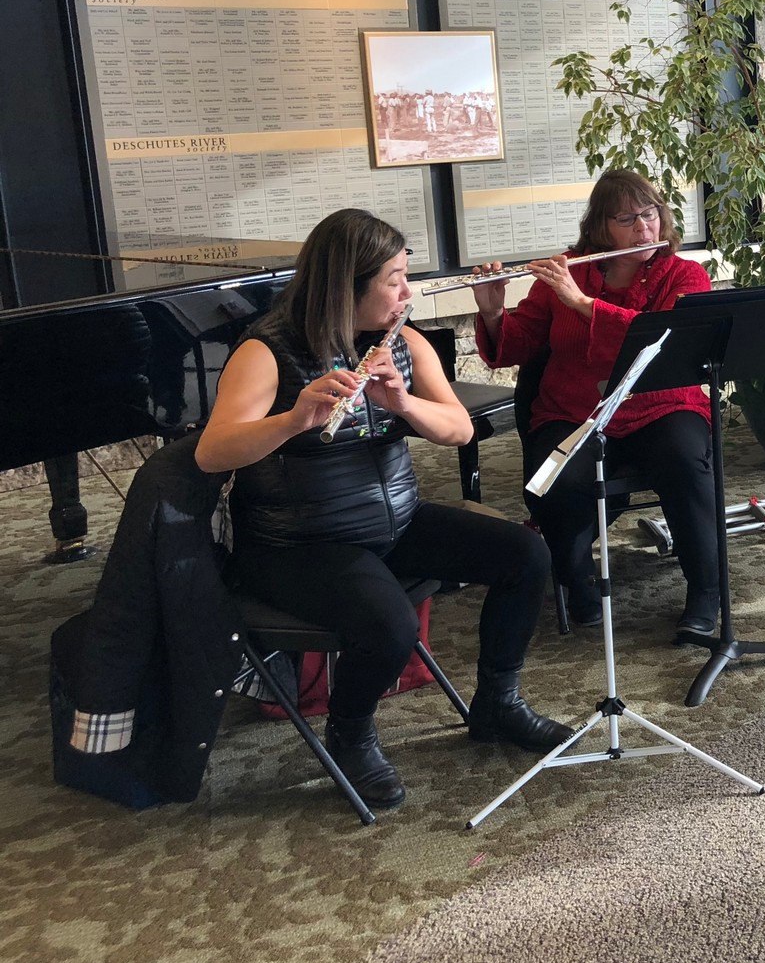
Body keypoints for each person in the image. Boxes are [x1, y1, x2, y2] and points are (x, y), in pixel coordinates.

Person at [197, 209, 570, 812]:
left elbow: (456, 429)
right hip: (298, 545)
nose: (408, 292)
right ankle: (351, 734)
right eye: (394, 279)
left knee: (525, 554)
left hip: (392, 523)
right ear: (348, 285)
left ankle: (497, 703)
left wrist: (402, 404)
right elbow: (214, 454)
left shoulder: (402, 342)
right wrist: (293, 420)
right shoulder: (265, 352)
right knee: (390, 623)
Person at [471, 170, 722, 638]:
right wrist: (492, 310)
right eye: (627, 218)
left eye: (650, 213)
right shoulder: (567, 271)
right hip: (575, 408)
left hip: (660, 404)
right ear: (601, 227)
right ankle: (576, 579)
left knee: (685, 462)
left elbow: (662, 341)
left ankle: (705, 590)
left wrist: (584, 304)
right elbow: (519, 344)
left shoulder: (685, 273)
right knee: (556, 480)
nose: (644, 227)